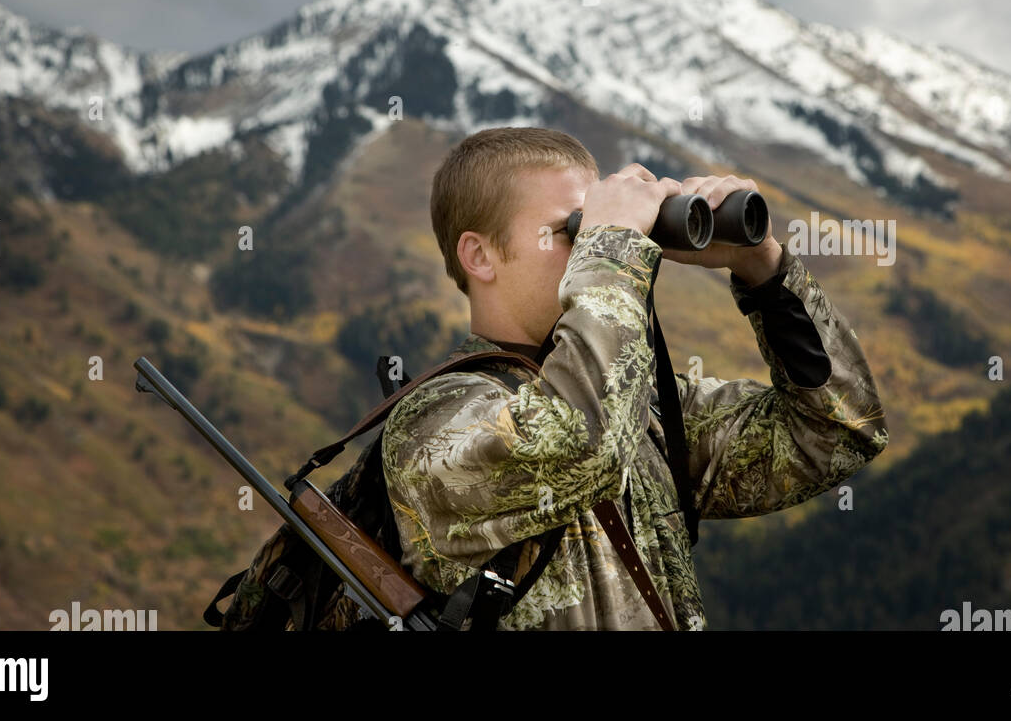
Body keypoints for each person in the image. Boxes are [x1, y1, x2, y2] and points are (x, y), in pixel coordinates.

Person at [380, 125, 888, 630]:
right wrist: (615, 243)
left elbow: (838, 431)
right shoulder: (432, 427)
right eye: (573, 229)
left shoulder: (642, 411)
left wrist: (763, 269)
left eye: (594, 226)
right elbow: (583, 446)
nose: (589, 246)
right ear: (480, 255)